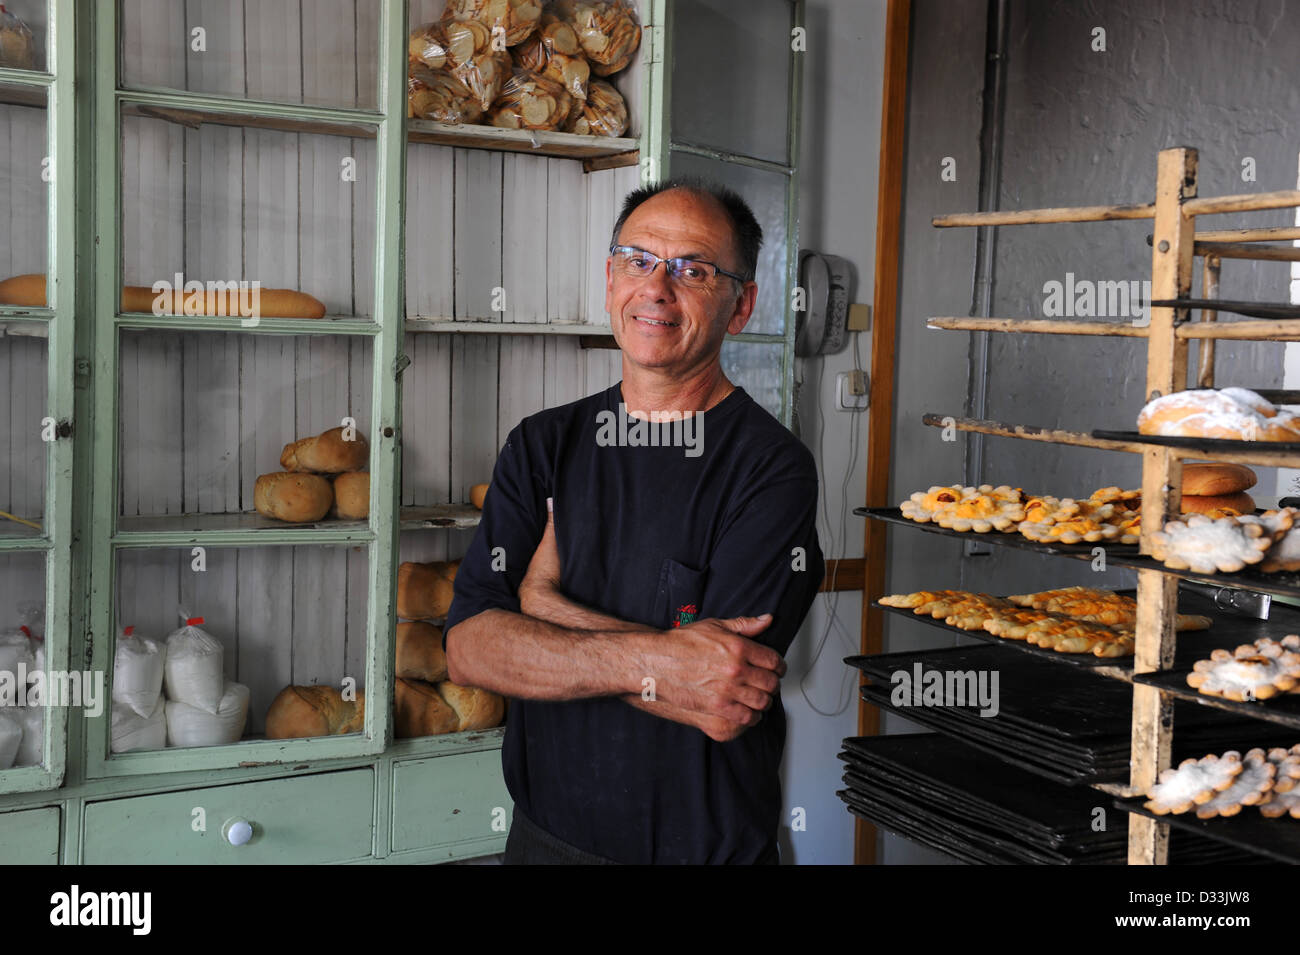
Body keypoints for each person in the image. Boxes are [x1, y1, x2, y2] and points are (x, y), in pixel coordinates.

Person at [443, 178, 824, 865]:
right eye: (637, 260)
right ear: (610, 278)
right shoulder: (542, 445)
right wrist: (665, 658)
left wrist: (541, 606)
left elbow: (719, 693)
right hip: (541, 846)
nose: (657, 288)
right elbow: (470, 648)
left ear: (741, 306)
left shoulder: (772, 469)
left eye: (693, 270)